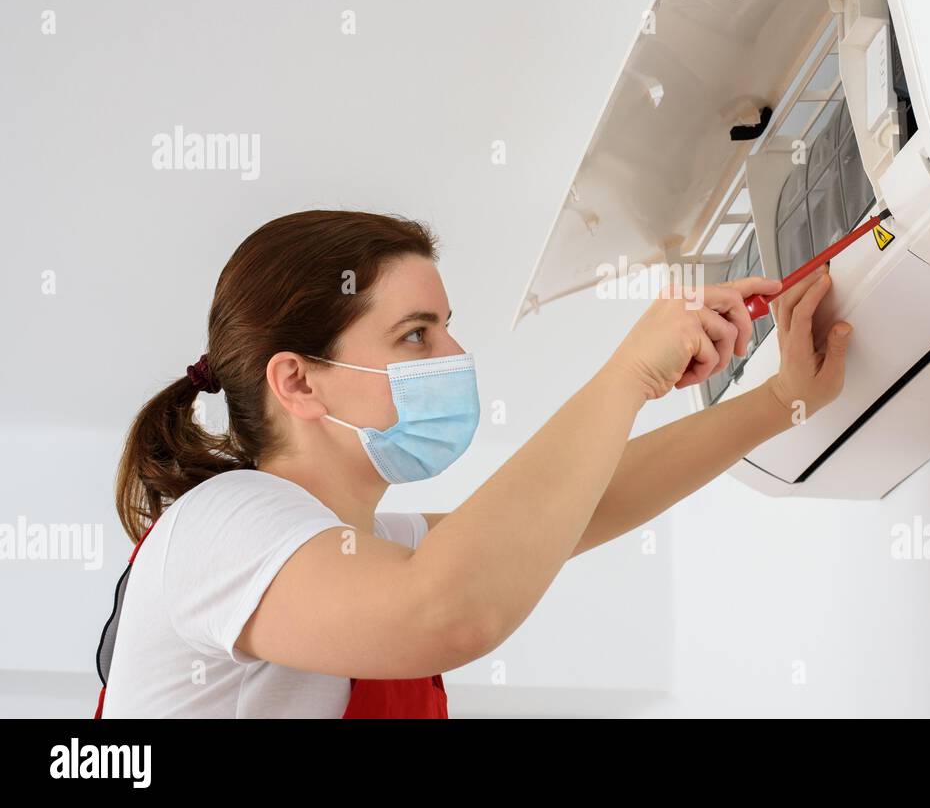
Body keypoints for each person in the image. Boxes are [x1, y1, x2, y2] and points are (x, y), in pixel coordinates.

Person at [96, 209, 852, 717]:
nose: (455, 356)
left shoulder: (357, 545)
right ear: (297, 380)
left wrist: (778, 399)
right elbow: (450, 610)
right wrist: (628, 375)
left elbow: (580, 506)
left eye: (447, 329)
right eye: (416, 335)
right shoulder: (222, 522)